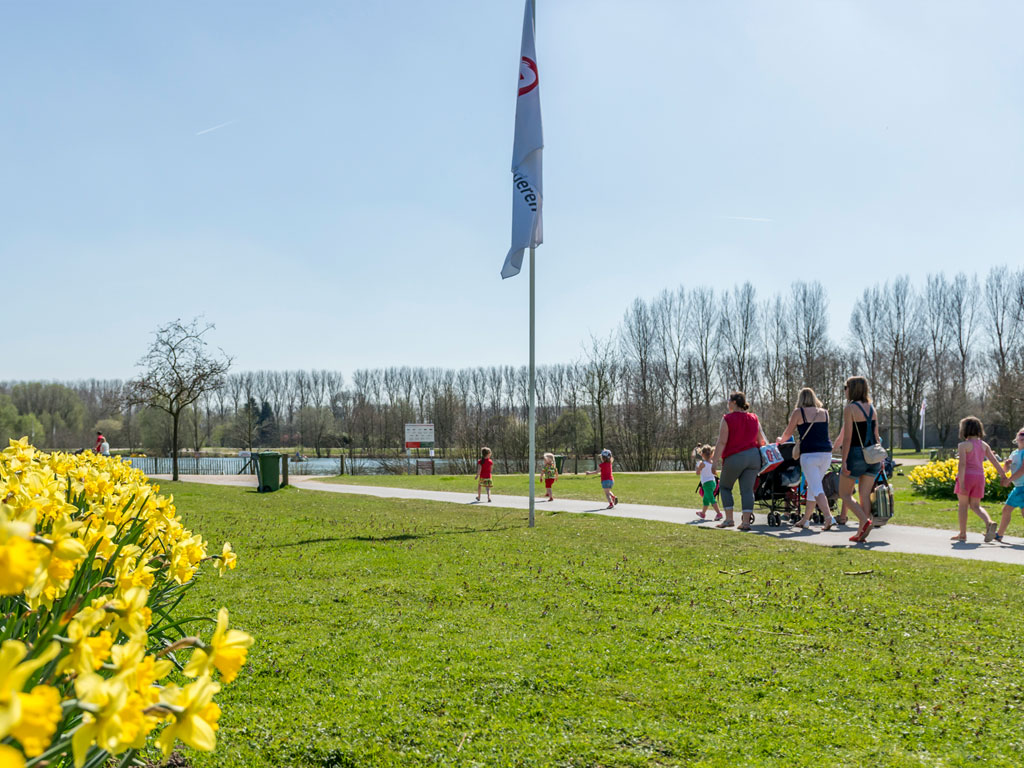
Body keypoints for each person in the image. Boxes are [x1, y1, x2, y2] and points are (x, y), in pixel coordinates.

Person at [778, 387, 836, 530]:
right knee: (813, 485)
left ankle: (829, 518)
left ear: (801, 399)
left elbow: (788, 433)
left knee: (816, 487)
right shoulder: (825, 413)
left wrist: (780, 440)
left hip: (810, 455)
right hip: (826, 454)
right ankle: (805, 519)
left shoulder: (799, 412)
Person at [839, 376, 886, 542]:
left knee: (844, 493)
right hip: (873, 454)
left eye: (846, 387)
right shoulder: (872, 408)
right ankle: (861, 533)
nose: (844, 391)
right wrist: (880, 459)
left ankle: (864, 522)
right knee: (864, 495)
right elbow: (876, 436)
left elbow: (847, 438)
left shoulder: (850, 408)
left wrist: (844, 460)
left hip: (856, 453)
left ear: (852, 389)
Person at [712, 391, 767, 531]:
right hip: (754, 457)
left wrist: (714, 461)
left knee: (725, 487)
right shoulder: (754, 418)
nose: (727, 404)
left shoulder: (727, 419)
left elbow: (722, 442)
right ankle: (746, 522)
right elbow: (762, 441)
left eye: (729, 401)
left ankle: (729, 519)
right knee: (748, 490)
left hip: (735, 456)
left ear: (734, 402)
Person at [951, 417, 1007, 542]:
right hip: (979, 477)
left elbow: (963, 465)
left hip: (967, 477)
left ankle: (962, 534)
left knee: (963, 505)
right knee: (976, 505)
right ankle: (989, 522)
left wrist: (962, 482)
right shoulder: (984, 445)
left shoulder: (963, 445)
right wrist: (1003, 475)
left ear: (964, 430)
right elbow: (994, 461)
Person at [995, 426, 1024, 542]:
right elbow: (1006, 470)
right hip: (1018, 487)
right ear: (1016, 437)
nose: (1022, 437)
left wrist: (1009, 480)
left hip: (1022, 488)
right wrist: (1006, 465)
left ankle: (999, 534)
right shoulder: (1014, 453)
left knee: (1007, 510)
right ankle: (999, 534)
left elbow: (1022, 470)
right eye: (1021, 434)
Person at [694, 445, 721, 521]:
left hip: (707, 484)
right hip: (712, 483)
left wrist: (698, 467)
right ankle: (703, 513)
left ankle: (719, 513)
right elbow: (715, 472)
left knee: (711, 499)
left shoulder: (702, 463)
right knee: (706, 499)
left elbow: (698, 473)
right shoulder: (712, 462)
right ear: (711, 454)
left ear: (702, 454)